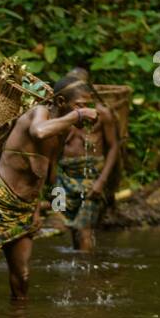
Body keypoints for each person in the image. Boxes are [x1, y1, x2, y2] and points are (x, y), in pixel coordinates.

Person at [0, 76, 99, 302]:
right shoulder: (39, 113)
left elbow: (48, 176)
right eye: (80, 105)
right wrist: (78, 115)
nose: (86, 110)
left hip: (23, 209)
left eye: (87, 106)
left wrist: (37, 209)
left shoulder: (63, 132)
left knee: (22, 278)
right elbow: (39, 132)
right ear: (61, 101)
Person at [54, 71, 118, 252]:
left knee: (84, 229)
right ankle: (79, 268)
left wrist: (101, 182)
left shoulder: (102, 114)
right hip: (64, 175)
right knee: (69, 226)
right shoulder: (62, 114)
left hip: (91, 175)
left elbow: (113, 147)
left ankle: (87, 276)